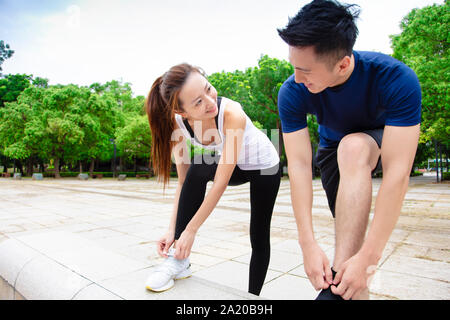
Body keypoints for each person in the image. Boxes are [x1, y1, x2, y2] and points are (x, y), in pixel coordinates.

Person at [277, 0, 421, 300]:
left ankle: (333, 294)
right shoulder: (292, 91)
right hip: (332, 152)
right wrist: (308, 244)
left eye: (305, 71)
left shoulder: (396, 79)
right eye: (294, 67)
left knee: (353, 147)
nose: (297, 79)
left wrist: (370, 258)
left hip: (380, 143)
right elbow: (300, 167)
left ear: (343, 64)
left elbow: (398, 173)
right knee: (352, 261)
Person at [144, 63, 281, 295]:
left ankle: (252, 297)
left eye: (208, 89)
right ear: (181, 112)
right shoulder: (176, 124)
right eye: (198, 102)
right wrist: (173, 231)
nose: (210, 102)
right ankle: (178, 262)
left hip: (264, 166)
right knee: (197, 168)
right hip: (236, 165)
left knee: (259, 235)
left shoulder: (231, 114)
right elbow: (184, 181)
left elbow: (220, 182)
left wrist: (191, 230)